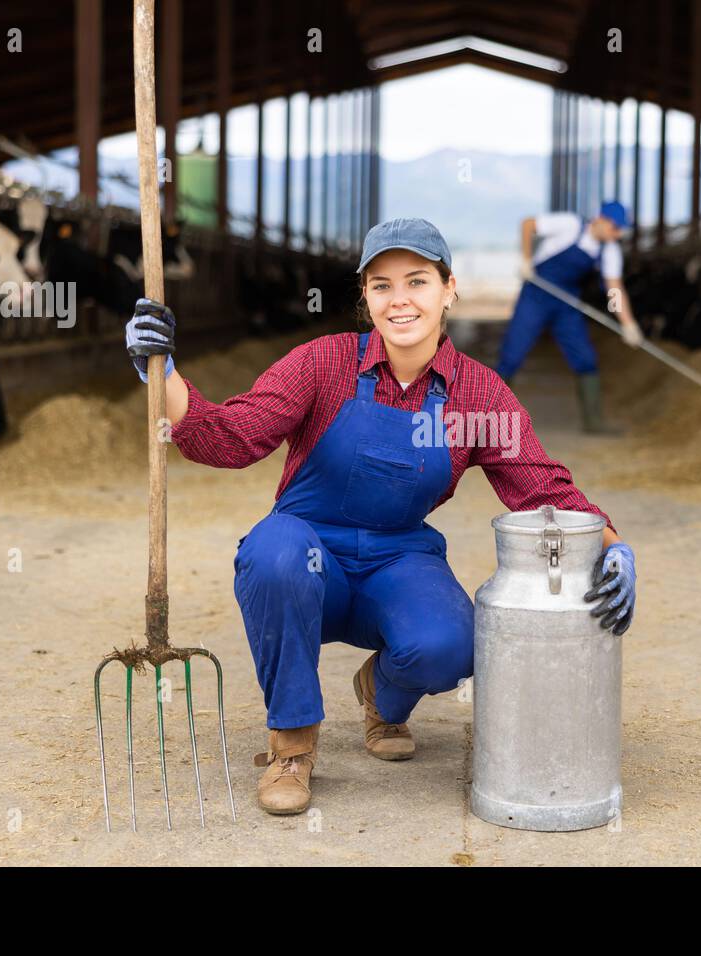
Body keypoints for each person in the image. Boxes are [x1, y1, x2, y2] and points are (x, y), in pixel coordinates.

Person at [124, 217, 637, 816]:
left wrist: (611, 543)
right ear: (365, 298)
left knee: (454, 643)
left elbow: (537, 486)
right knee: (274, 553)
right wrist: (160, 373)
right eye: (382, 285)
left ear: (449, 288)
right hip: (310, 556)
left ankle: (382, 699)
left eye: (417, 282)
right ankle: (292, 748)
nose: (401, 301)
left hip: (399, 559)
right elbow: (229, 437)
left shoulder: (477, 395)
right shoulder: (323, 365)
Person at [496, 200, 645, 434]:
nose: (618, 235)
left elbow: (614, 289)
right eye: (616, 228)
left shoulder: (610, 251)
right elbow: (528, 224)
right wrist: (526, 259)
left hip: (566, 302)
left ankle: (593, 422)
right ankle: (485, 423)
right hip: (536, 294)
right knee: (512, 355)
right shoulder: (570, 225)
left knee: (585, 357)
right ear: (602, 220)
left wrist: (628, 323)